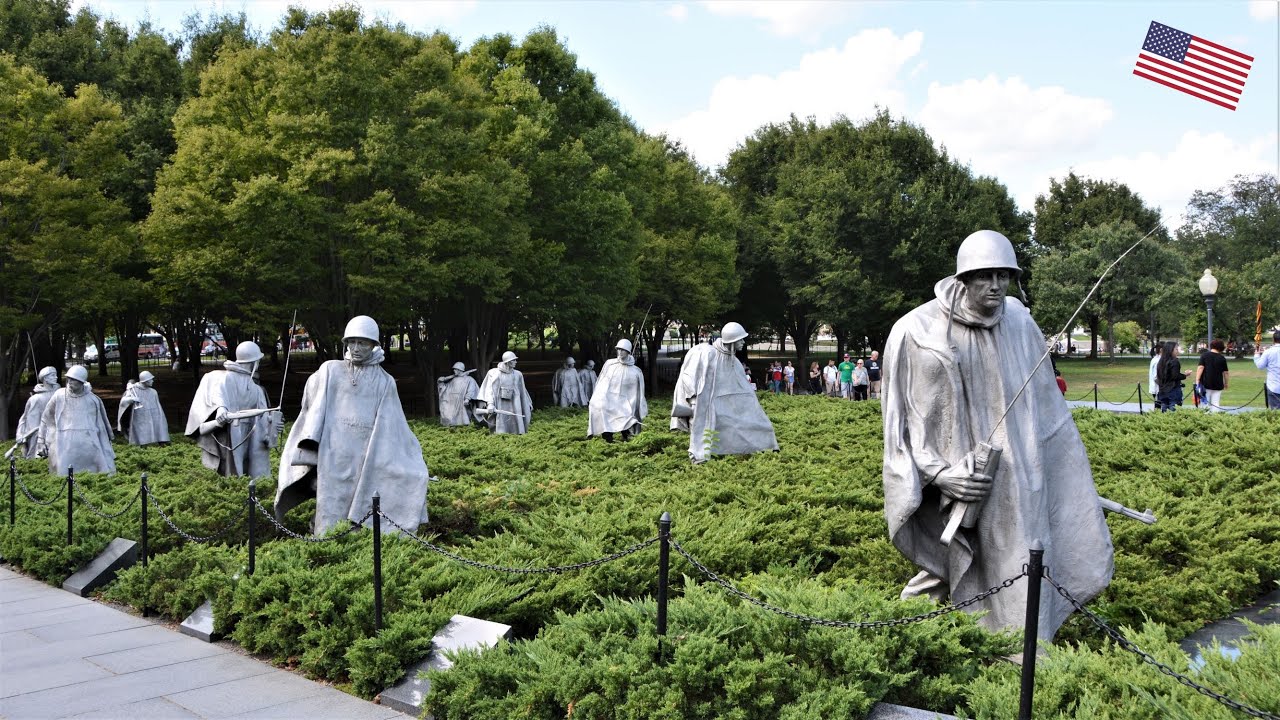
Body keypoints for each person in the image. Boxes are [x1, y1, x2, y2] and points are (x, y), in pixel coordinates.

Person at [882, 229, 1113, 641]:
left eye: (1003, 276)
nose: (995, 285)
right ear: (963, 279)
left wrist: (1067, 484)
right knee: (952, 561)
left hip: (1019, 481)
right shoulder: (916, 331)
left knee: (1017, 562)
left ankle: (1018, 656)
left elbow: (1050, 414)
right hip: (956, 483)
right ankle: (901, 645)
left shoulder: (1020, 322)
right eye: (985, 275)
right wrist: (938, 475)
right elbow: (901, 423)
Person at [276, 316, 429, 536]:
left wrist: (412, 458)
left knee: (359, 501)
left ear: (374, 345)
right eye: (352, 342)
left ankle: (356, 544)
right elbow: (311, 404)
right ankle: (326, 544)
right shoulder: (330, 370)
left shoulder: (385, 381)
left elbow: (394, 424)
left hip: (365, 452)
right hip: (333, 450)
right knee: (330, 503)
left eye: (363, 343)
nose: (356, 348)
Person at [671, 322, 779, 464]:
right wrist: (693, 401)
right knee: (704, 429)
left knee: (762, 425)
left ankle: (765, 447)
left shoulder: (735, 361)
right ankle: (700, 458)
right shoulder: (706, 352)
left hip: (724, 406)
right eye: (740, 339)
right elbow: (689, 376)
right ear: (732, 340)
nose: (743, 342)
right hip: (704, 404)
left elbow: (745, 392)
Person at [186, 341, 278, 478]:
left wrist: (273, 426)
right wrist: (221, 411)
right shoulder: (224, 378)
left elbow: (264, 417)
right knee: (233, 470)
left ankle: (252, 491)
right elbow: (219, 397)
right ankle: (235, 491)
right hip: (232, 432)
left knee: (250, 468)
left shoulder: (255, 387)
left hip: (251, 433)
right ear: (254, 362)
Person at [38, 365, 115, 476]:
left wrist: (106, 449)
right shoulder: (59, 396)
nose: (69, 381)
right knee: (64, 478)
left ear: (82, 382)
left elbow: (101, 428)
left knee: (93, 477)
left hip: (89, 449)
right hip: (64, 447)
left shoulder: (92, 400)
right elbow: (46, 419)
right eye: (68, 378)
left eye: (73, 379)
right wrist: (41, 441)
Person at [588, 339, 648, 441]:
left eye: (623, 350)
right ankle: (607, 436)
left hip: (625, 402)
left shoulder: (635, 371)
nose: (620, 352)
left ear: (628, 351)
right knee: (605, 411)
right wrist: (598, 398)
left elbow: (638, 392)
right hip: (610, 399)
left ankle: (626, 434)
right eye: (618, 349)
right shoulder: (610, 364)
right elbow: (601, 382)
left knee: (625, 415)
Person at [477, 351, 533, 434]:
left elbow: (522, 391)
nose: (515, 362)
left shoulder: (518, 374)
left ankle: (517, 434)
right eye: (513, 360)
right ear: (507, 362)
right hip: (499, 403)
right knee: (501, 422)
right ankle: (501, 436)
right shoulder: (494, 373)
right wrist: (490, 404)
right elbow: (490, 390)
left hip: (515, 402)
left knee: (516, 422)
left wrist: (527, 402)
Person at [12, 366, 58, 459]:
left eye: (56, 375)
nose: (56, 377)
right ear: (45, 378)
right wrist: (20, 434)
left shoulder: (60, 394)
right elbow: (27, 420)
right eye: (53, 375)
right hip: (39, 437)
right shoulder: (35, 399)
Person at [117, 371, 171, 446]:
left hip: (152, 415)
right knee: (141, 432)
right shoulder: (133, 390)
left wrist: (159, 417)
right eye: (150, 379)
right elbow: (123, 402)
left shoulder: (153, 392)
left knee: (154, 429)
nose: (152, 381)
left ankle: (158, 441)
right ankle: (141, 445)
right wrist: (131, 399)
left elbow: (157, 406)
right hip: (139, 416)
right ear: (145, 381)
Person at [437, 362, 479, 427]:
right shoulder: (453, 379)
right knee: (451, 419)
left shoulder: (469, 379)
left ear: (460, 370)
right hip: (452, 402)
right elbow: (446, 388)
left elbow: (471, 389)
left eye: (455, 369)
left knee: (463, 419)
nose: (454, 371)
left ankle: (463, 430)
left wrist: (467, 399)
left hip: (461, 400)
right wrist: (442, 381)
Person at [1195, 339, 1230, 413]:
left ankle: (1205, 416)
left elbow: (1200, 367)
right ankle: (1215, 416)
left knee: (1205, 401)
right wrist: (1226, 383)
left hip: (1205, 383)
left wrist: (1197, 380)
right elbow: (1225, 372)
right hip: (1218, 384)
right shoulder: (1222, 358)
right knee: (1216, 402)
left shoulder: (1204, 355)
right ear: (1221, 347)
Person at [1155, 341, 1190, 412]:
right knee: (1174, 409)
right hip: (1173, 389)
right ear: (1171, 350)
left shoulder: (1160, 361)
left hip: (1163, 389)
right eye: (1176, 349)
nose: (1177, 351)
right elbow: (1175, 376)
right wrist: (1185, 375)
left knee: (1164, 409)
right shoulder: (1174, 361)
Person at [1254, 330, 1280, 410]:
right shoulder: (1268, 351)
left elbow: (1260, 366)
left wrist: (1257, 355)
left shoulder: (1268, 352)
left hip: (1273, 385)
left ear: (1273, 339)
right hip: (1273, 385)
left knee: (1275, 413)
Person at [1147, 347, 1162, 411]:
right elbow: (1155, 376)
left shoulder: (1155, 359)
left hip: (1156, 387)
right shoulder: (1157, 360)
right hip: (1158, 387)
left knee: (1158, 405)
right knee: (1158, 406)